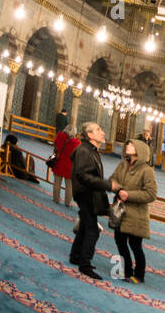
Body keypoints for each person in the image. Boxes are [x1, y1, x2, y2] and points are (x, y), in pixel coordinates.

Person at [69, 121, 116, 279]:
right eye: (98, 129)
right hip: (86, 194)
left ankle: (75, 255)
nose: (102, 132)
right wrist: (108, 185)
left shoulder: (90, 150)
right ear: (89, 135)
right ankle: (85, 264)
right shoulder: (84, 151)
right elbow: (83, 176)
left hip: (88, 194)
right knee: (92, 230)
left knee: (85, 226)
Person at [110, 139, 157, 284]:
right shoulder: (123, 165)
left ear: (140, 150)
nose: (127, 146)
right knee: (120, 242)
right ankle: (127, 271)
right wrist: (117, 189)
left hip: (136, 215)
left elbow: (151, 194)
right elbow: (113, 179)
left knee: (135, 246)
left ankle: (139, 275)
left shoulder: (146, 171)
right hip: (121, 213)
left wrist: (129, 195)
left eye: (131, 145)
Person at [49, 125, 79, 205]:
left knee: (57, 183)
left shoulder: (60, 136)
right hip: (70, 166)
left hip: (59, 162)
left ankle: (56, 199)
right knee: (69, 186)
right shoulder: (77, 143)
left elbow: (55, 144)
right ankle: (67, 202)